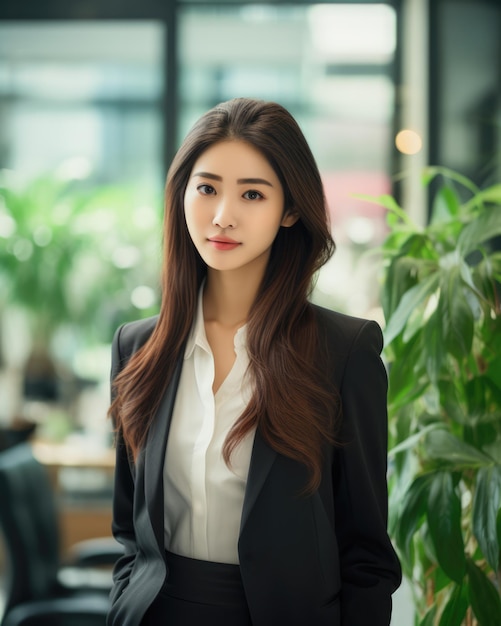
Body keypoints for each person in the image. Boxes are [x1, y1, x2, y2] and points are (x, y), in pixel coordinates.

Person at [107, 97, 401, 626]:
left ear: (289, 210)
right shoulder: (137, 348)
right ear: (181, 196)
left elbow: (367, 556)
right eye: (207, 188)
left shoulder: (343, 351)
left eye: (252, 194)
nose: (223, 215)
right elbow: (131, 532)